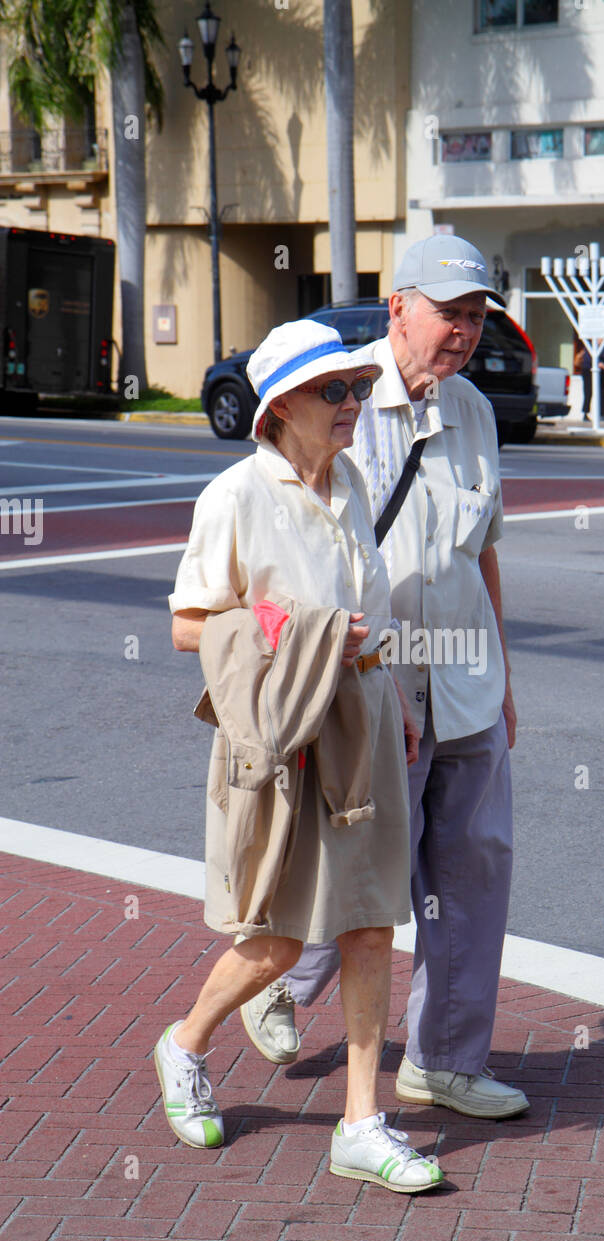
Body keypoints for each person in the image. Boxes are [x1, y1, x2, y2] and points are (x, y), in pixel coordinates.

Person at [243, 234, 530, 1121]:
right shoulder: (337, 394)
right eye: (452, 312)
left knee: (474, 871)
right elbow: (277, 544)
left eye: (479, 315)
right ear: (398, 304)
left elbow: (482, 551)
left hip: (465, 679)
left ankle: (443, 1060)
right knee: (360, 867)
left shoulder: (476, 412)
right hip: (369, 681)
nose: (467, 330)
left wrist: (506, 673)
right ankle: (274, 979)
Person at [156, 319, 444, 1194]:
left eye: (356, 388)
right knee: (279, 940)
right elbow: (187, 625)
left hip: (360, 714)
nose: (355, 403)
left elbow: (368, 614)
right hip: (284, 731)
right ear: (282, 407)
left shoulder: (350, 480)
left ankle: (361, 1121)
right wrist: (293, 630)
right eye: (336, 392)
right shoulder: (237, 497)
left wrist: (388, 694)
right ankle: (186, 1042)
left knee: (369, 922)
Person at [575, 339, 604, 422]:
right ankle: (585, 414)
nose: (602, 340)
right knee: (588, 392)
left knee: (602, 393)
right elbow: (588, 358)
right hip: (588, 371)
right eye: (601, 338)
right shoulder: (589, 347)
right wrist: (598, 363)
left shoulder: (603, 348)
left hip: (600, 373)